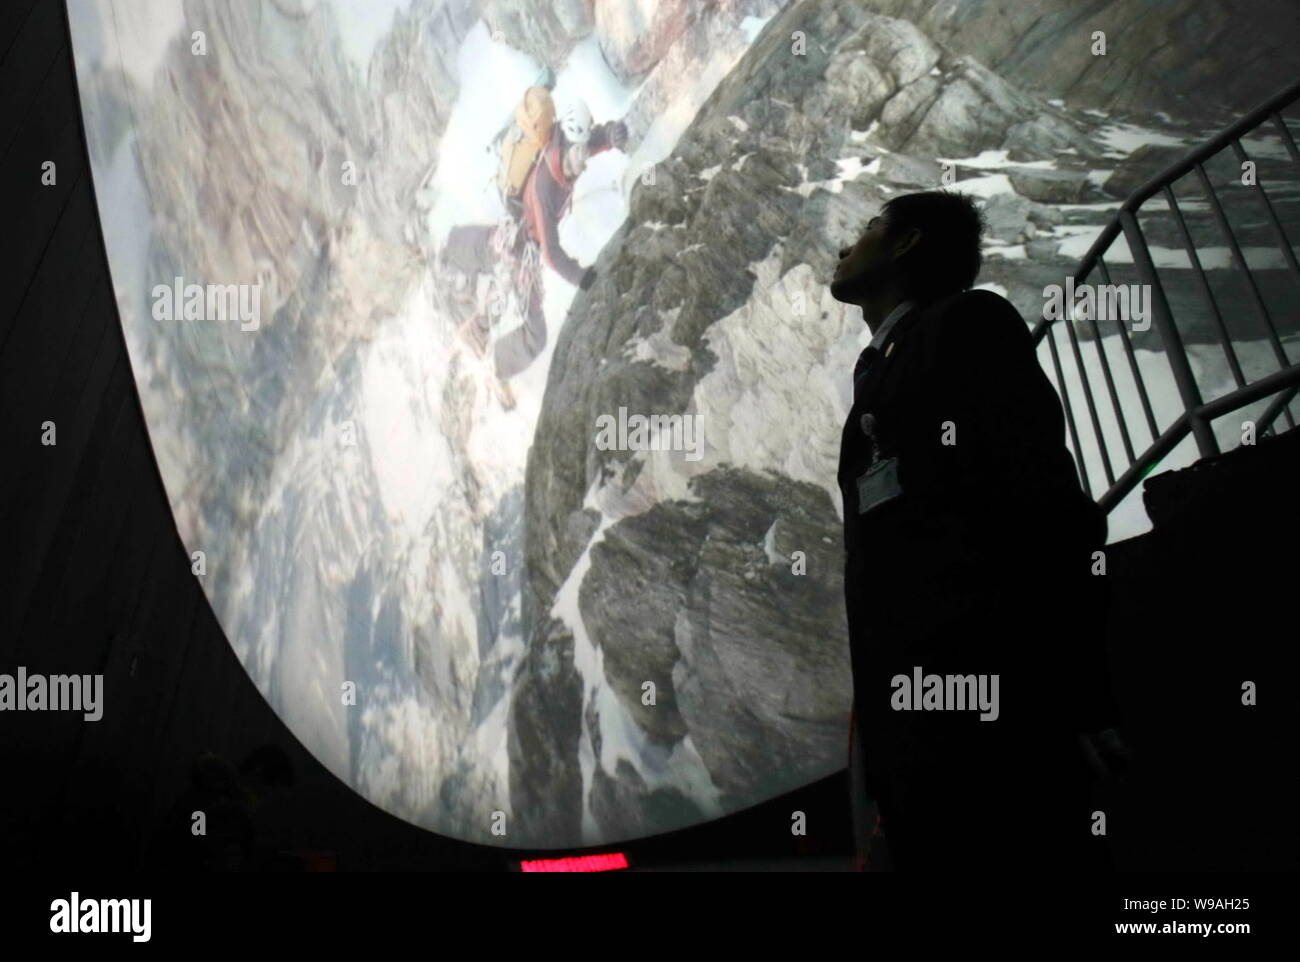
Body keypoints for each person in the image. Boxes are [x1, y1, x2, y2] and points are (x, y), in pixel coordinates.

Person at [830, 189, 1127, 872]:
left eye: (871, 228)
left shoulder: (967, 323)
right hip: (920, 743)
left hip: (999, 718)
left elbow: (1046, 504)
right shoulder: (882, 367)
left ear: (907, 245)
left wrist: (1082, 697)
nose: (847, 246)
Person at [442, 95, 628, 390]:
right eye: (577, 152)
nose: (582, 159)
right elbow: (551, 255)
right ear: (567, 145)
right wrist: (583, 277)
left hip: (511, 235)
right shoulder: (546, 187)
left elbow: (588, 143)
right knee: (535, 333)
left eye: (582, 151)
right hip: (521, 250)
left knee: (489, 256)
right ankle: (496, 365)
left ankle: (452, 247)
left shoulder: (563, 145)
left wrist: (609, 135)